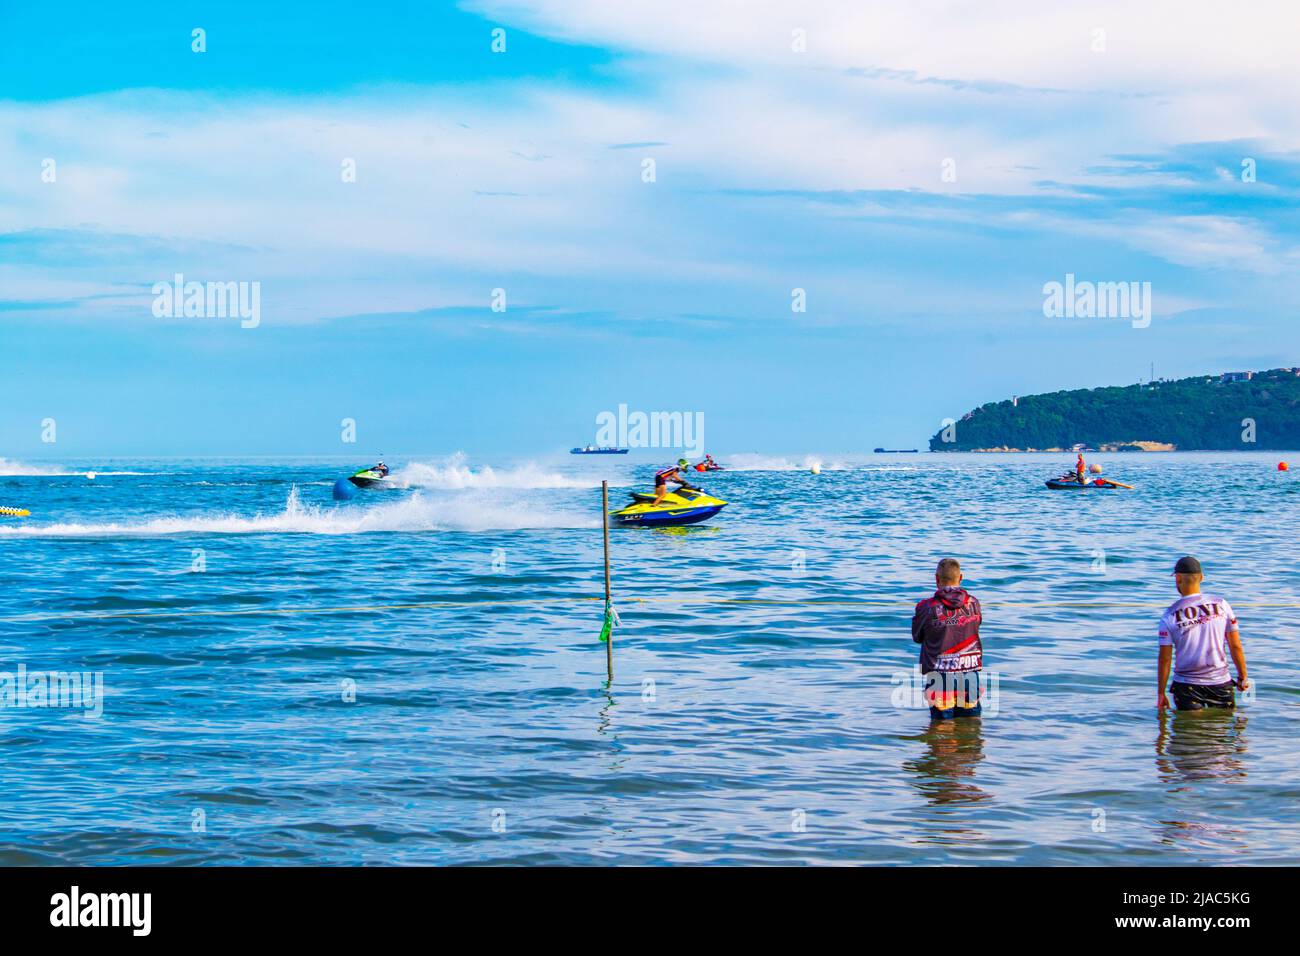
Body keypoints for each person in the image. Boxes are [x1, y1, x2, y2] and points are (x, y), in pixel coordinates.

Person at [1157, 556, 1249, 711]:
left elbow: (1165, 659)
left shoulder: (1169, 615)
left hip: (1186, 686)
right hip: (1220, 683)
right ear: (1202, 577)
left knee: (1191, 733)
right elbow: (1235, 646)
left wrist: (1160, 693)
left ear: (1178, 579)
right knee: (1221, 731)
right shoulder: (1222, 604)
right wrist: (1242, 677)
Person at [912, 558, 984, 719]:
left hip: (940, 673)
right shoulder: (974, 603)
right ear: (961, 577)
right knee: (971, 726)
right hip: (969, 672)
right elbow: (977, 625)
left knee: (942, 732)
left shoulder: (926, 607)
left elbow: (917, 637)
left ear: (936, 579)